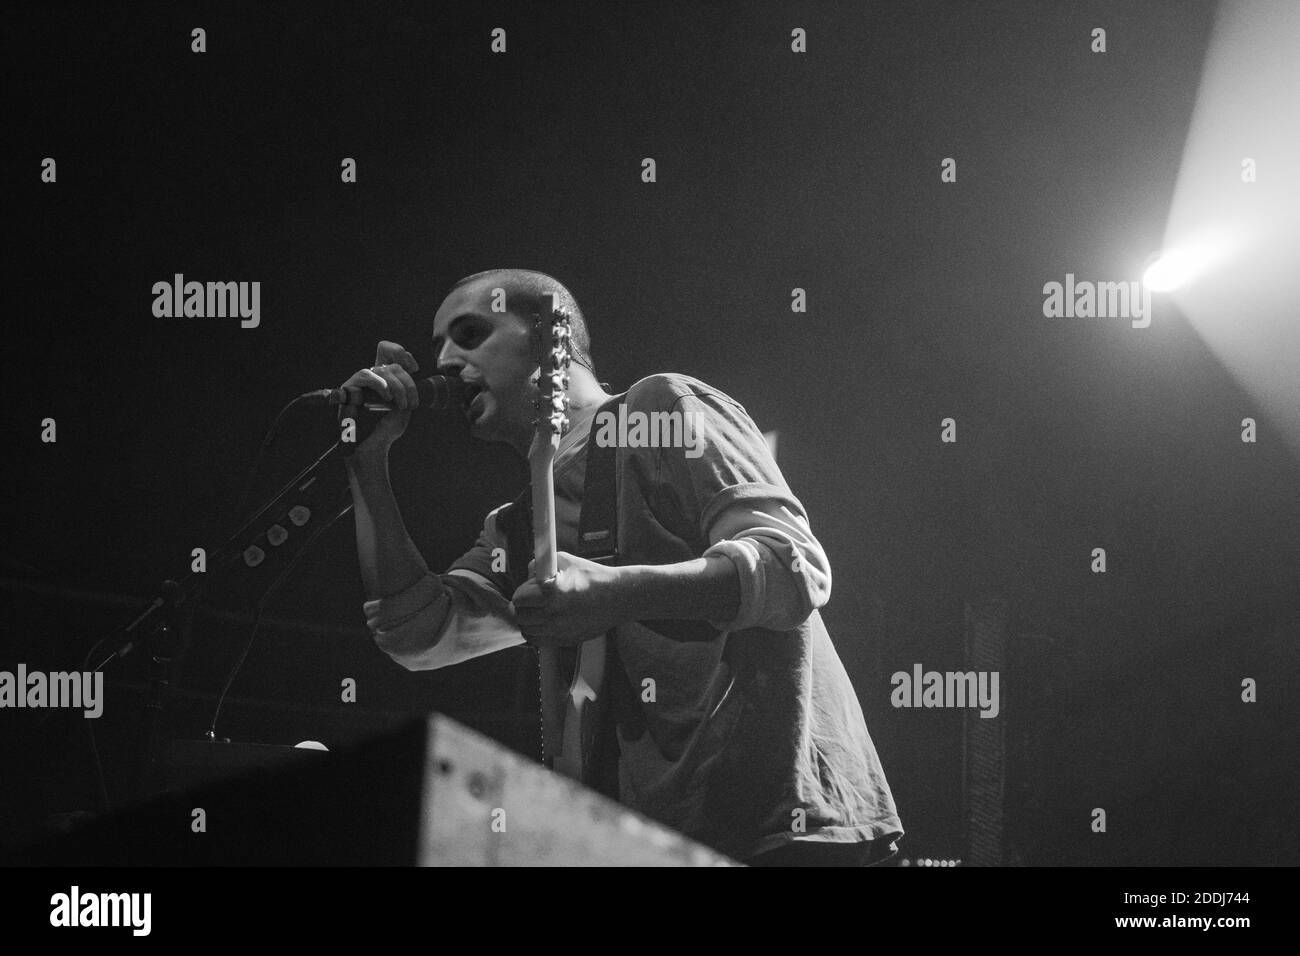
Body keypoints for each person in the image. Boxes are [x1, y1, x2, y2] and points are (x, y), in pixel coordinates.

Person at [340, 268, 902, 865]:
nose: (447, 362)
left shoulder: (658, 408)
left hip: (782, 830)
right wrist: (366, 464)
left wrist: (616, 593)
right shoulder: (517, 526)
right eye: (439, 347)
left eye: (472, 333)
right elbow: (415, 633)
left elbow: (792, 569)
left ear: (550, 337)